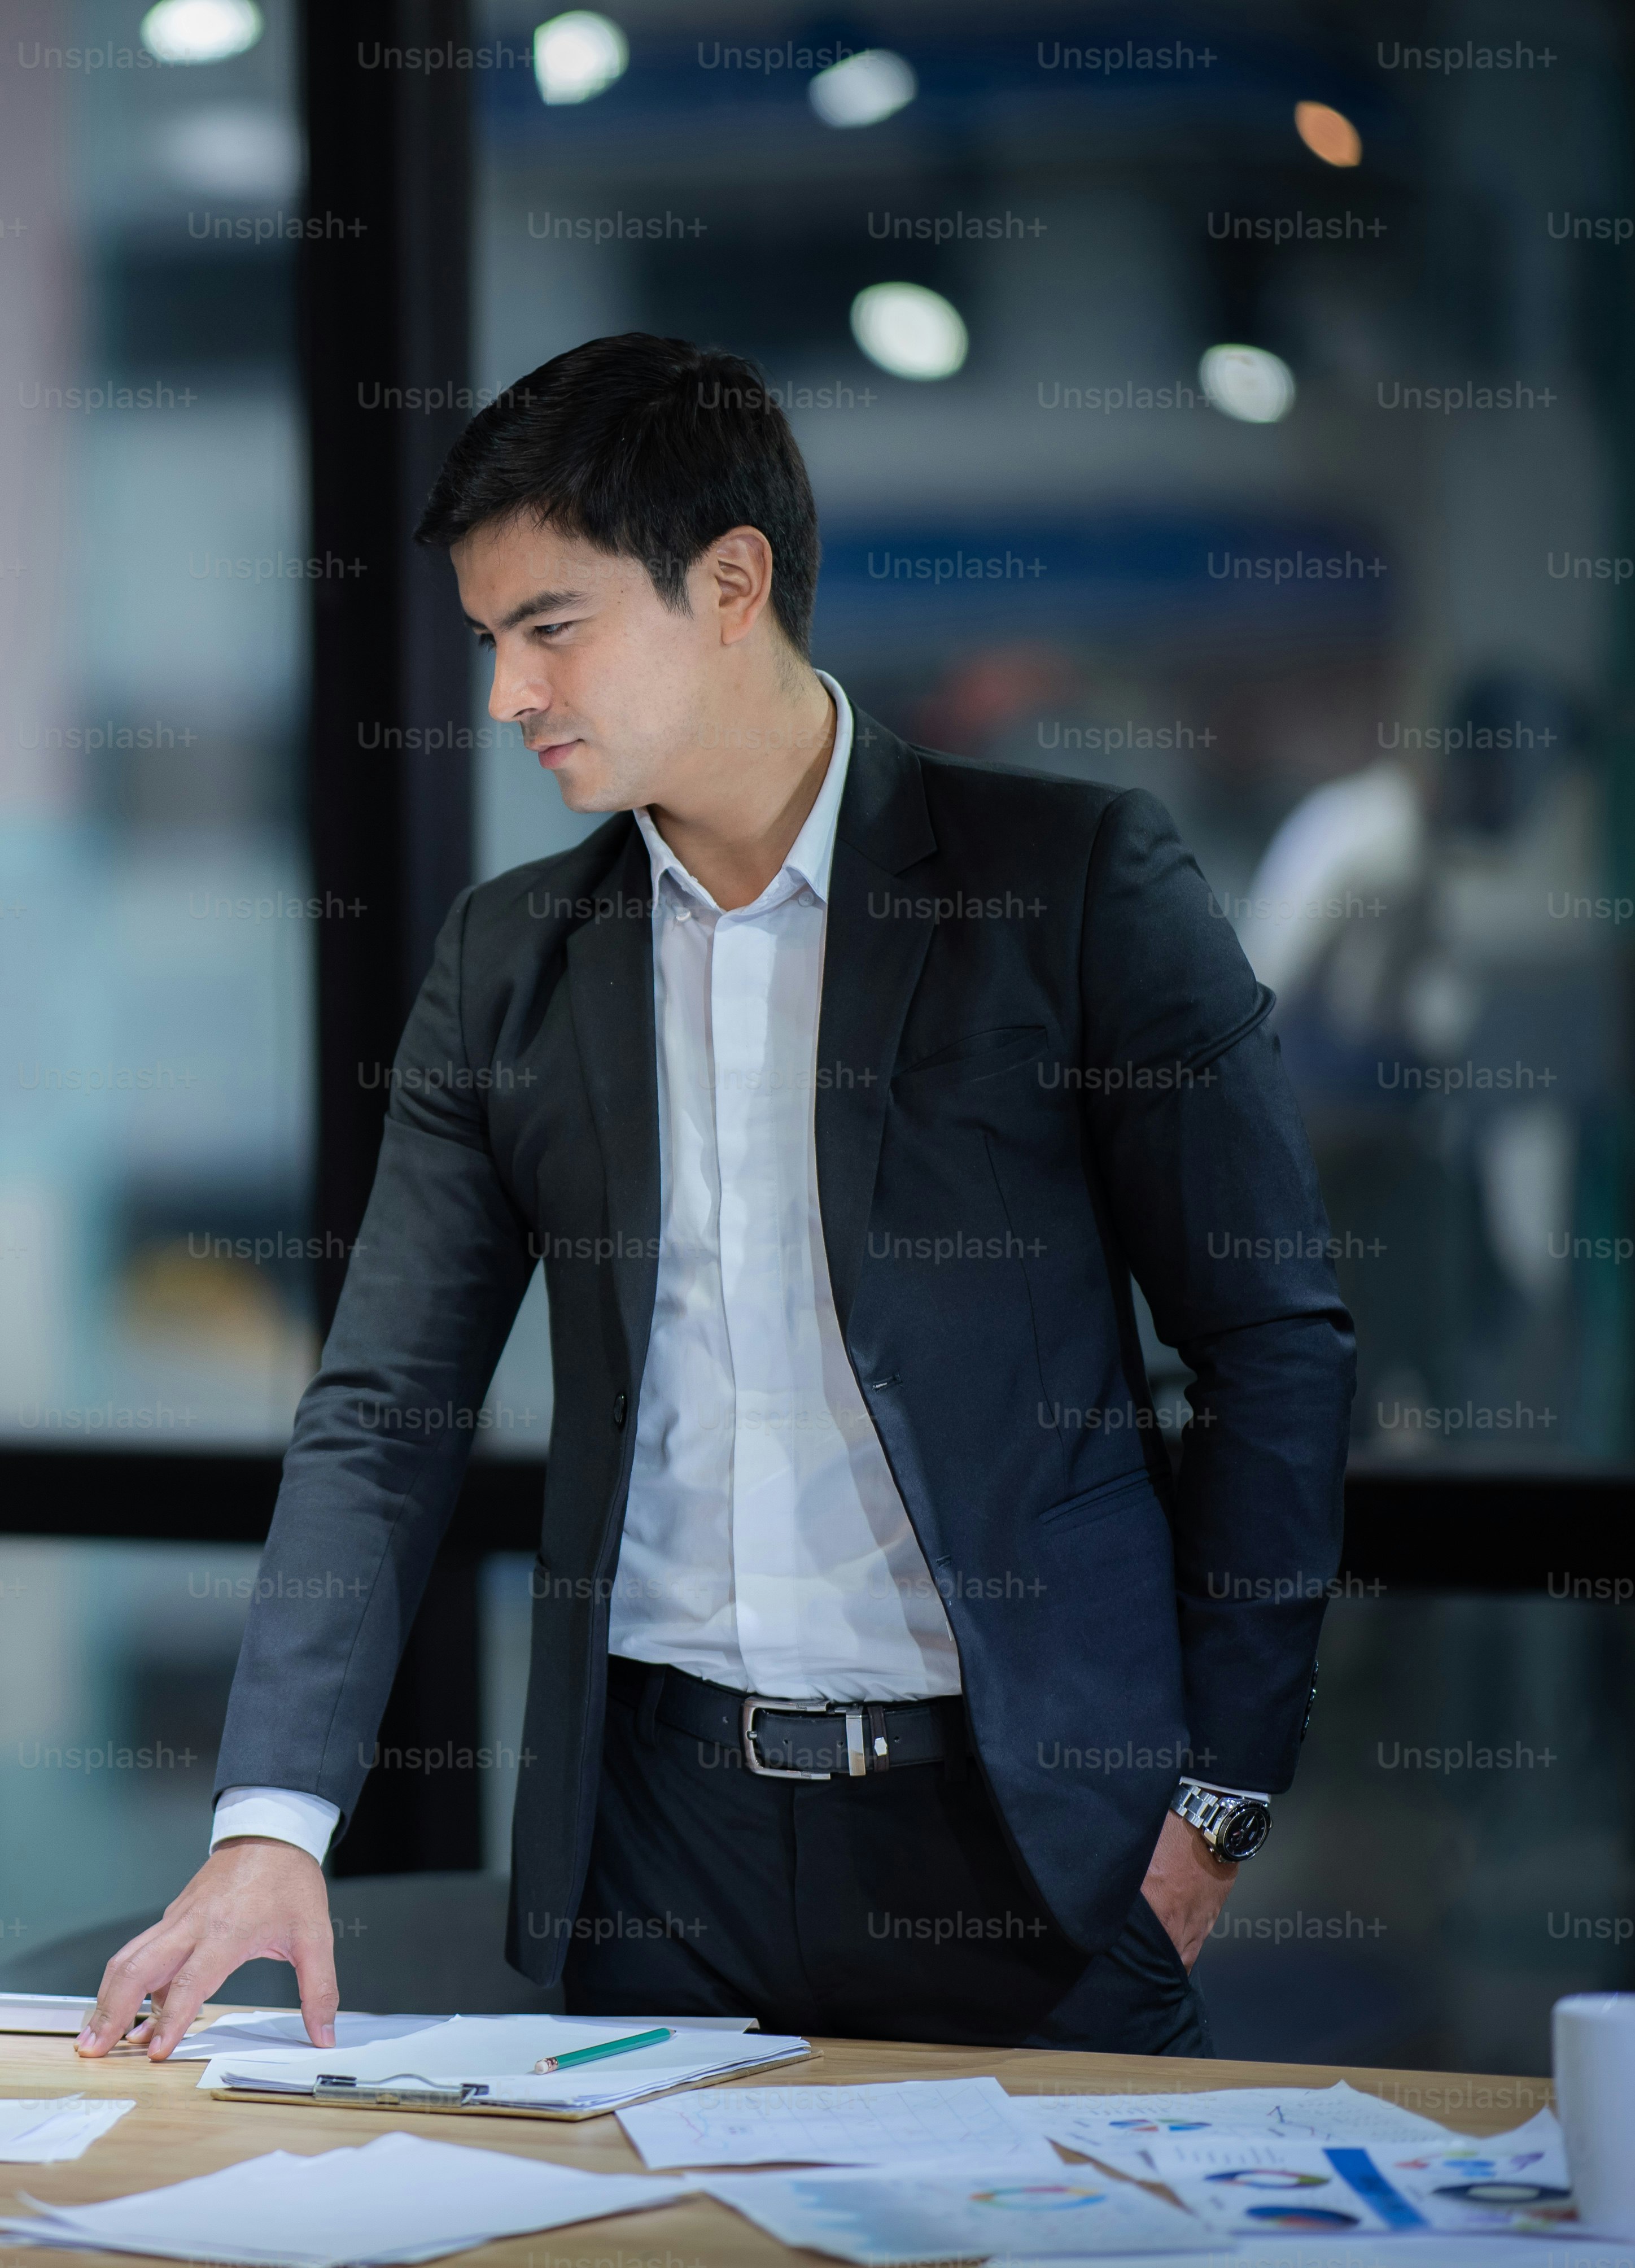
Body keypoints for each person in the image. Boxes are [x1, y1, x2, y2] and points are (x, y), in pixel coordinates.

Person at [75, 333, 1354, 2062]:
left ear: (731, 584)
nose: (512, 695)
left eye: (554, 628)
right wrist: (268, 1828)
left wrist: (1217, 1807)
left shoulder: (1068, 885)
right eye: (490, 644)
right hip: (658, 1852)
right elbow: (385, 1410)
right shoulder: (509, 961)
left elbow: (1271, 1343)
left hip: (1026, 1839)